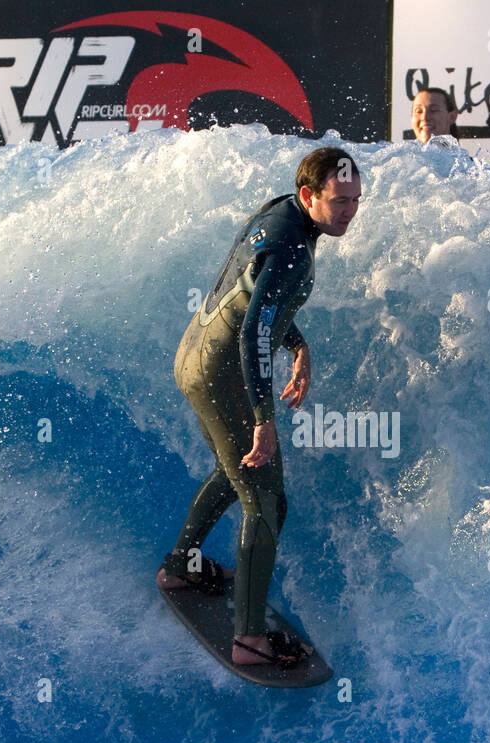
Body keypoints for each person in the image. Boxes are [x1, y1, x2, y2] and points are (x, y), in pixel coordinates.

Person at [159, 147, 363, 667]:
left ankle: (183, 565)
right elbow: (253, 333)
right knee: (267, 502)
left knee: (237, 473)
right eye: (339, 201)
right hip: (222, 373)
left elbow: (257, 301)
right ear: (308, 195)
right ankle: (249, 640)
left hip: (195, 354)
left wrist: (299, 346)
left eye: (356, 201)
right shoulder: (292, 246)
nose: (349, 212)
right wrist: (264, 421)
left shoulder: (278, 215)